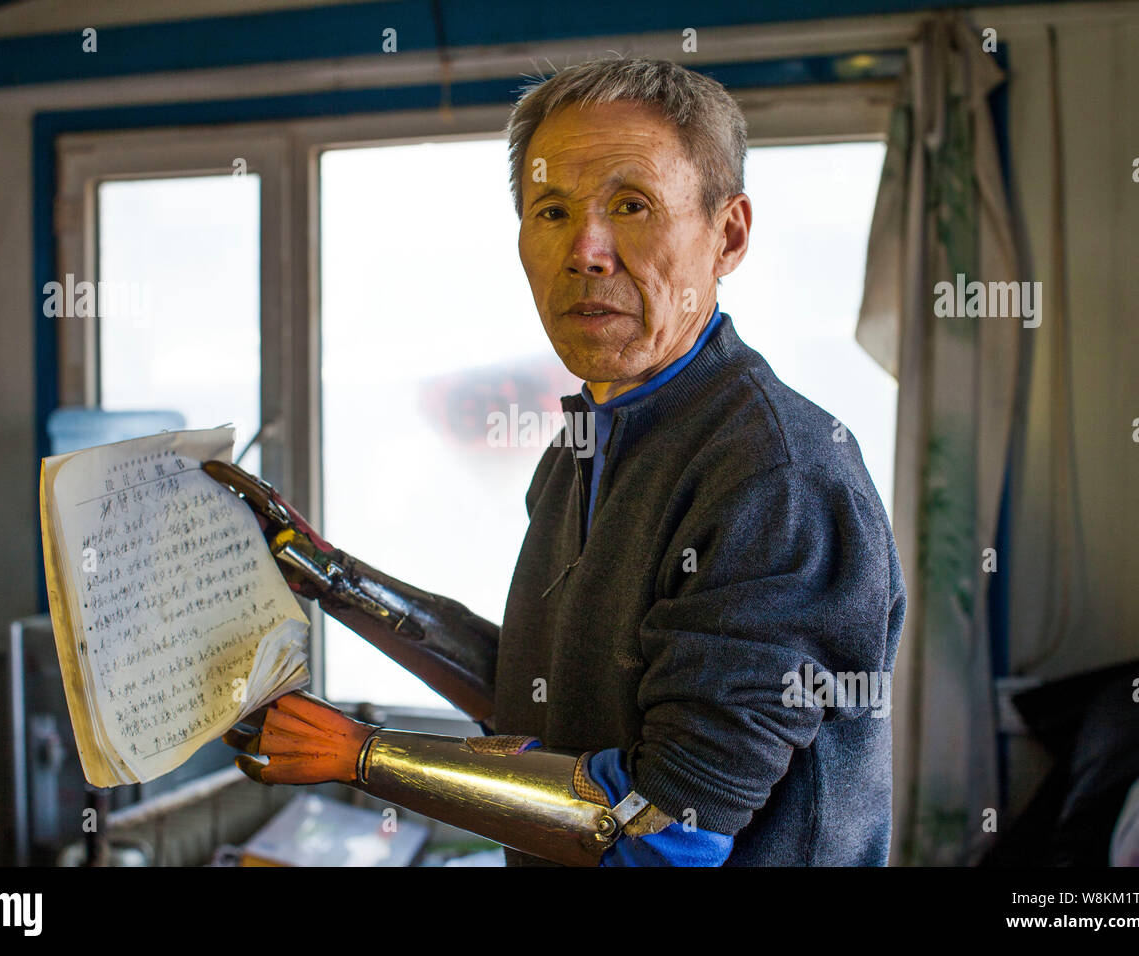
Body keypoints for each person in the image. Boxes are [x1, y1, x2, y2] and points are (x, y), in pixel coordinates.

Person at [210, 55, 905, 867]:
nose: (586, 251)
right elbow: (536, 692)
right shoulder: (593, 437)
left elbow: (665, 828)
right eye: (551, 210)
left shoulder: (775, 478)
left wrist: (361, 756)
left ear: (730, 235)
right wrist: (326, 574)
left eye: (632, 204)